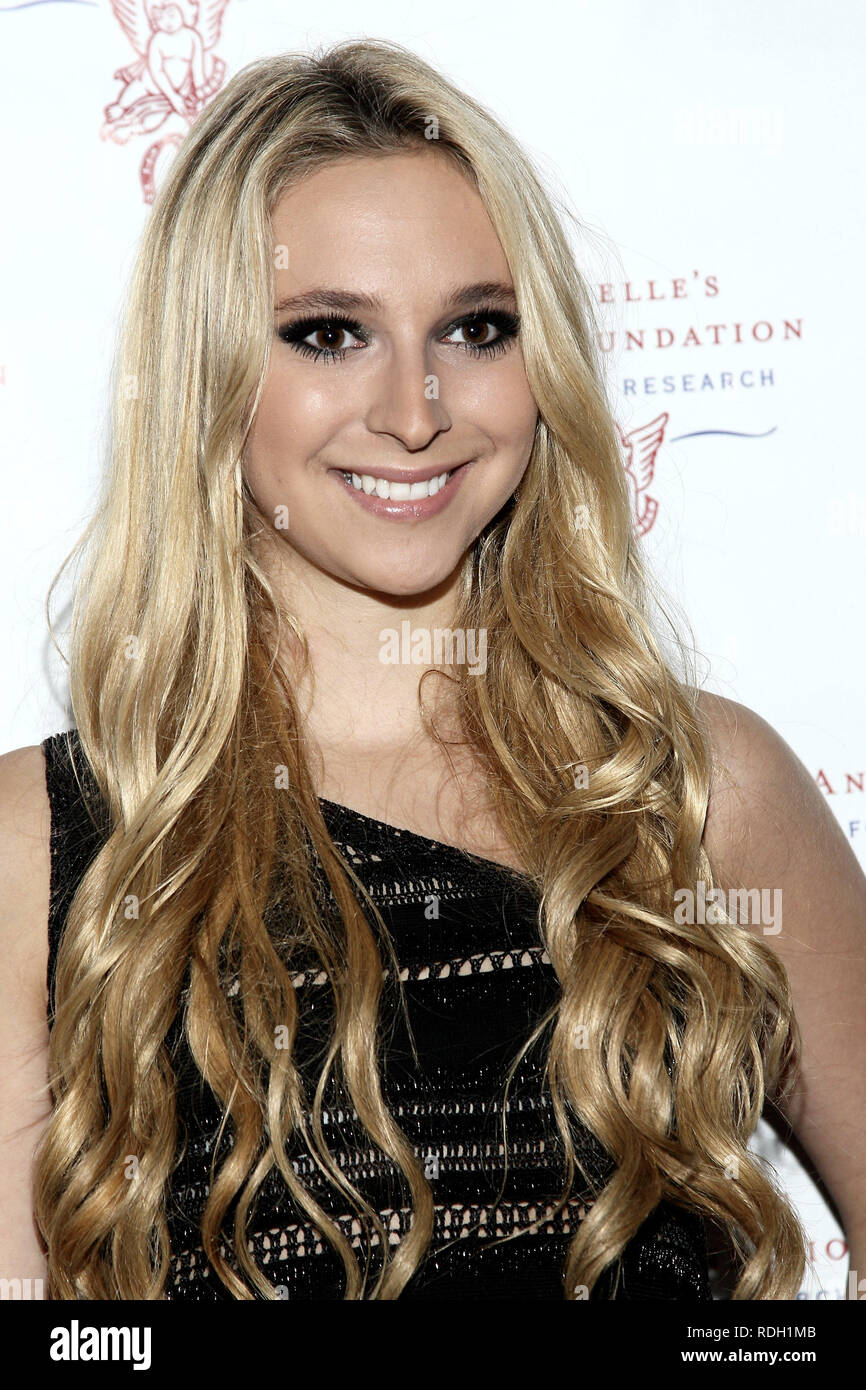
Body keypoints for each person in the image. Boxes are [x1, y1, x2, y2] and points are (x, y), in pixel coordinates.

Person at [1, 38, 864, 1302]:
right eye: (328, 332)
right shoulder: (45, 848)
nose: (414, 409)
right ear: (207, 376)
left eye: (475, 327)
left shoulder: (690, 791)